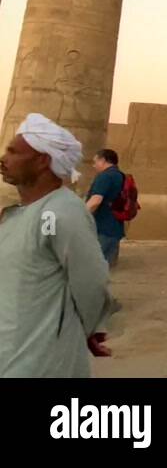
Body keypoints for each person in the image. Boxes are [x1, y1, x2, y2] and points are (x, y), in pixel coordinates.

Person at [0, 113, 111, 377]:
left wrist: (89, 327)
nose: (4, 158)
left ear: (42, 161)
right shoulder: (15, 215)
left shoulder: (63, 212)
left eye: (13, 152)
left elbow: (92, 282)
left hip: (40, 362)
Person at [86, 148, 126, 267]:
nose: (94, 165)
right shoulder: (120, 175)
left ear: (103, 160)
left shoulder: (105, 176)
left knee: (94, 266)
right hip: (115, 227)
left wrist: (80, 215)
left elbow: (95, 201)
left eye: (95, 162)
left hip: (103, 227)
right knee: (108, 267)